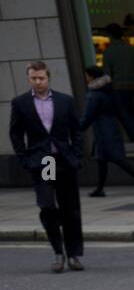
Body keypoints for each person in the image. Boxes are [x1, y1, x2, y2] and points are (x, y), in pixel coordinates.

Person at [8, 61, 84, 273]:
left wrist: (76, 155)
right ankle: (58, 252)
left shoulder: (64, 101)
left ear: (48, 77)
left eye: (41, 78)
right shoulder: (21, 103)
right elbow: (15, 134)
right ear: (29, 78)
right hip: (44, 161)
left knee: (70, 210)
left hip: (63, 159)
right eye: (34, 78)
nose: (38, 82)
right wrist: (24, 158)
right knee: (48, 205)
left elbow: (76, 131)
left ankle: (74, 255)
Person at [81, 67, 134, 197]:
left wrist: (77, 129)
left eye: (86, 75)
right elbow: (120, 112)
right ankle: (100, 189)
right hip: (111, 129)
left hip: (102, 131)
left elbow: (87, 116)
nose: (85, 78)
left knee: (117, 159)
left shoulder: (94, 94)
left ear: (91, 77)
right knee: (102, 160)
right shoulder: (110, 90)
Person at [101, 23, 134, 141]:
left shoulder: (108, 52)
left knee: (126, 116)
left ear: (110, 35)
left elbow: (107, 76)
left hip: (119, 89)